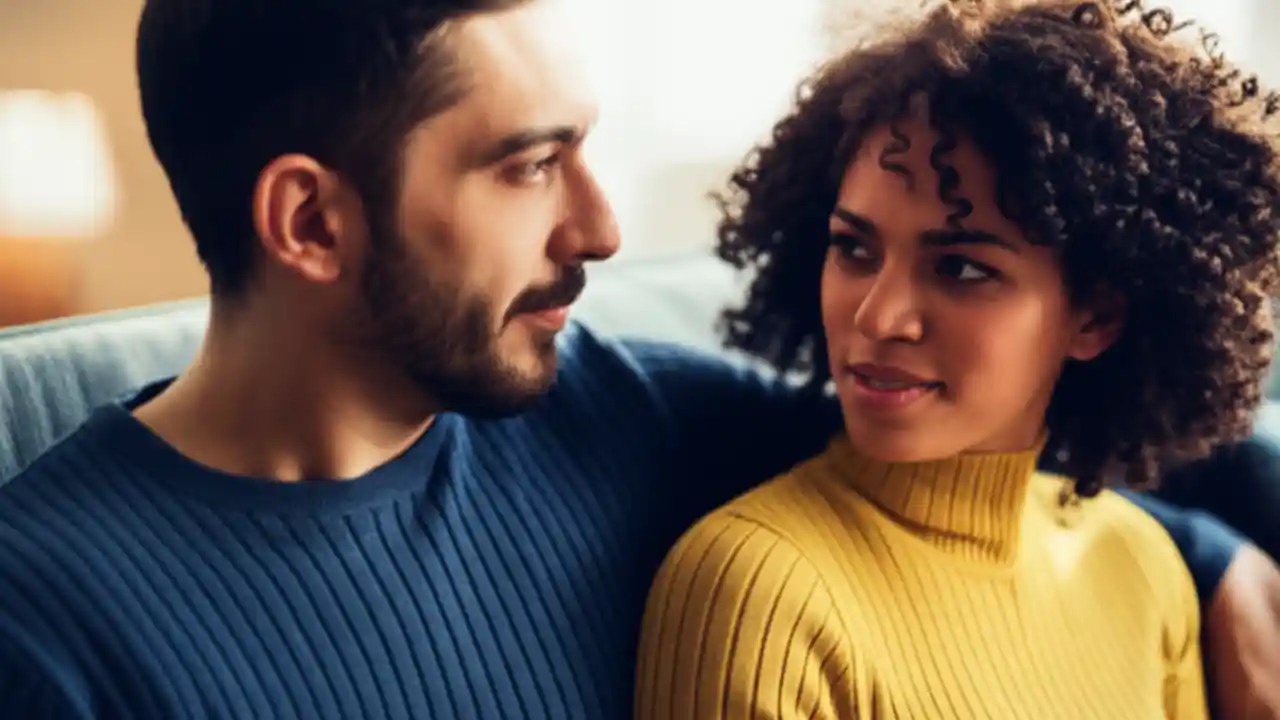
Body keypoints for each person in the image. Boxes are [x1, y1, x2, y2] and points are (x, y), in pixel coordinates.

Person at [0, 0, 1272, 718]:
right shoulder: (43, 622)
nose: (601, 229)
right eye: (530, 164)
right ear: (311, 221)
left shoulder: (626, 419)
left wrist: (1211, 567)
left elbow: (971, 488)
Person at [636, 1, 1280, 718]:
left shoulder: (1144, 568)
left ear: (1095, 315)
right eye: (854, 248)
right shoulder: (758, 590)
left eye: (962, 269)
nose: (877, 317)